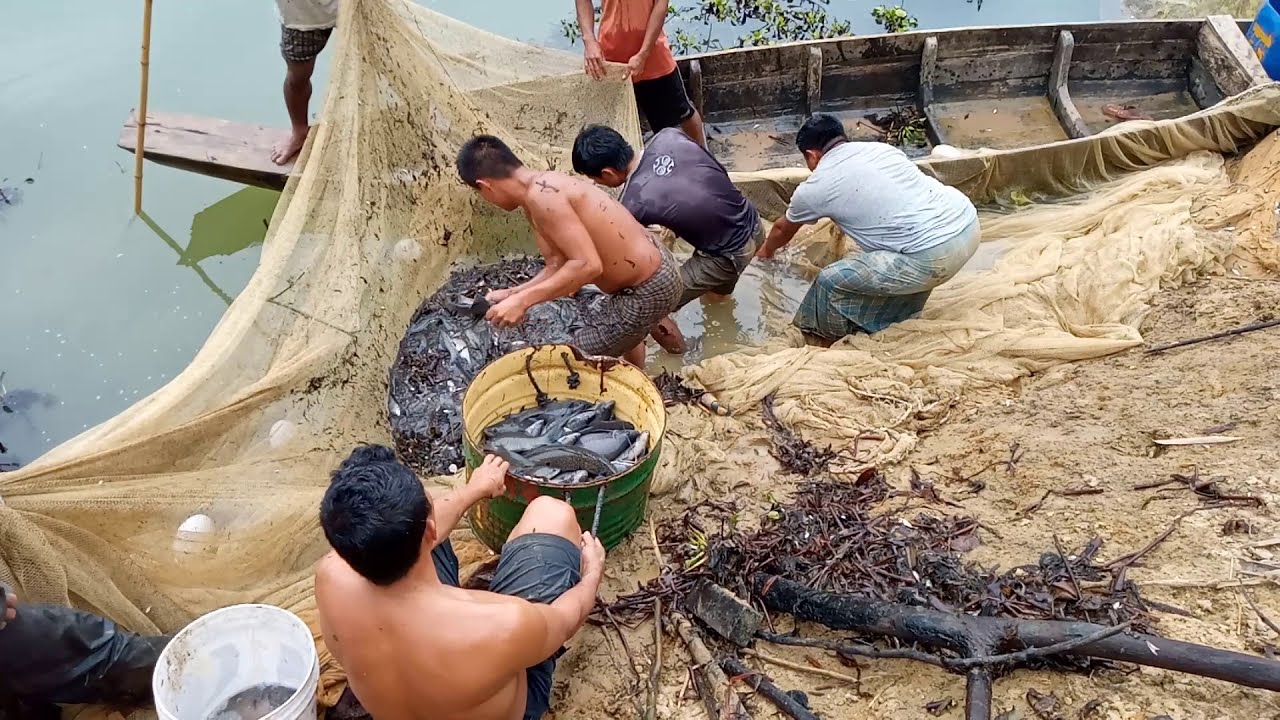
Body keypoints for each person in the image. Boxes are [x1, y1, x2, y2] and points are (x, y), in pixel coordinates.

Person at [315, 446, 606, 720]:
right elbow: (566, 620)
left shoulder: (330, 579)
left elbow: (401, 531)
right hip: (508, 695)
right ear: (430, 529)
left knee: (396, 530)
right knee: (553, 513)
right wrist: (591, 573)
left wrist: (474, 490)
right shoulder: (505, 624)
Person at [456, 134, 684, 368]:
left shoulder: (543, 198)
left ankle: (645, 380)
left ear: (485, 186)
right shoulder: (537, 192)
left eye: (479, 193)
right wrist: (513, 293)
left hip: (649, 287)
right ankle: (668, 363)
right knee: (632, 326)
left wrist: (522, 302)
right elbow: (556, 264)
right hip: (649, 273)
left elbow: (587, 265)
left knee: (568, 359)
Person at [757, 113, 981, 342]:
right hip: (968, 225)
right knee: (899, 249)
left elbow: (782, 230)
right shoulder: (880, 150)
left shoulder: (815, 187)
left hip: (933, 256)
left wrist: (765, 253)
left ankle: (820, 340)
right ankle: (896, 316)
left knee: (829, 280)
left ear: (812, 155)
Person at [572, 124, 763, 310]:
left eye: (594, 178)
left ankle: (677, 340)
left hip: (726, 256)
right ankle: (721, 309)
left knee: (658, 303)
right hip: (752, 222)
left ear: (608, 172)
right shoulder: (669, 136)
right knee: (717, 295)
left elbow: (608, 251)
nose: (595, 183)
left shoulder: (633, 202)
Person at [575, 0, 706, 148]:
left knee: (682, 113)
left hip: (653, 56)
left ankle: (705, 157)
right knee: (610, 126)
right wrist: (589, 41)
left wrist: (643, 53)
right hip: (610, 59)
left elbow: (660, 6)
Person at [271, 0, 339, 165]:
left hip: (358, 7)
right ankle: (299, 131)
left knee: (382, 64)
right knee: (298, 76)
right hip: (302, 15)